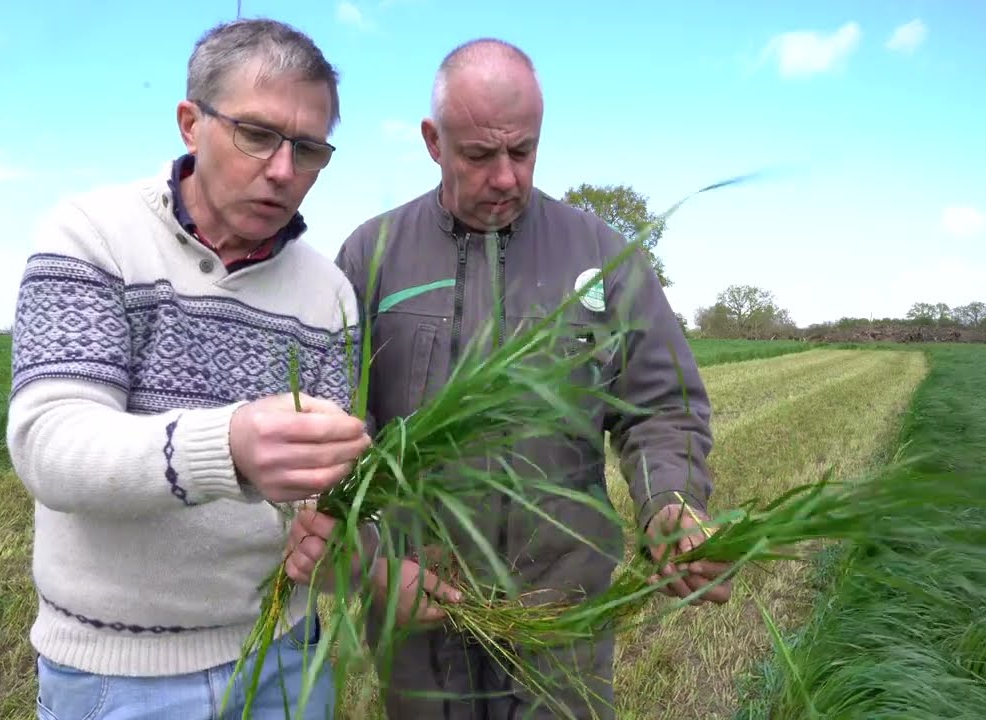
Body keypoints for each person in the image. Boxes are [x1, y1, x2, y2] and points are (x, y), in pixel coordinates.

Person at [282, 38, 733, 719]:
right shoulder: (372, 255)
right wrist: (375, 560)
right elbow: (338, 428)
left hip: (560, 610)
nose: (505, 177)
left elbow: (661, 405)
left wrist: (670, 502)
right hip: (420, 609)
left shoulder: (603, 257)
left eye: (522, 152)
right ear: (433, 142)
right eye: (478, 155)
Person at [5, 18, 371, 720]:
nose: (284, 170)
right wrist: (228, 447)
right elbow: (50, 445)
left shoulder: (328, 293)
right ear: (190, 123)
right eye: (257, 134)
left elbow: (330, 481)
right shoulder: (93, 234)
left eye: (308, 149)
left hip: (284, 652)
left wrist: (335, 532)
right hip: (118, 676)